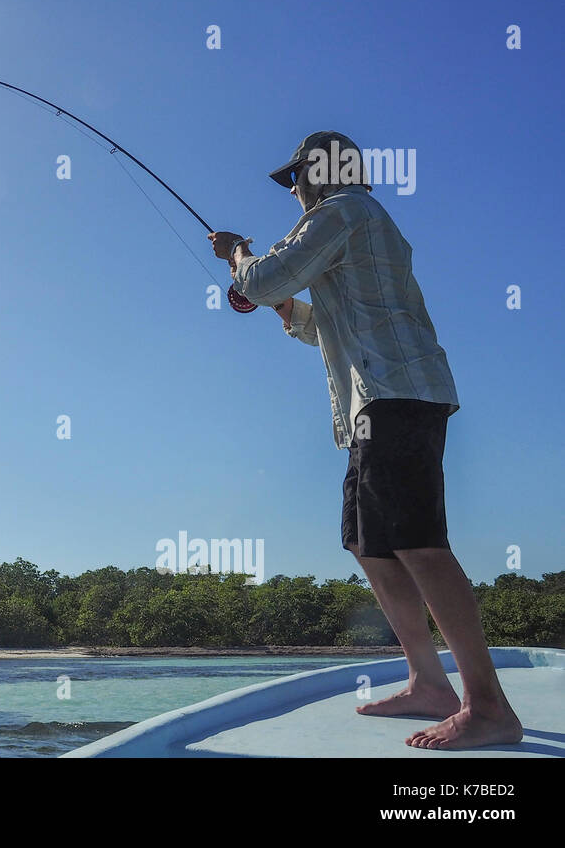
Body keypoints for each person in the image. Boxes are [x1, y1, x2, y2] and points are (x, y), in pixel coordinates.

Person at [208, 131, 521, 751]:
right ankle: (428, 683)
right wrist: (272, 300)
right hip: (372, 408)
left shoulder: (343, 210)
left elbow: (267, 277)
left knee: (420, 544)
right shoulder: (348, 227)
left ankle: (488, 707)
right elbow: (315, 325)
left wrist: (237, 254)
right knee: (369, 545)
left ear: (322, 171)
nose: (292, 189)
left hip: (397, 396)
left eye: (295, 176)